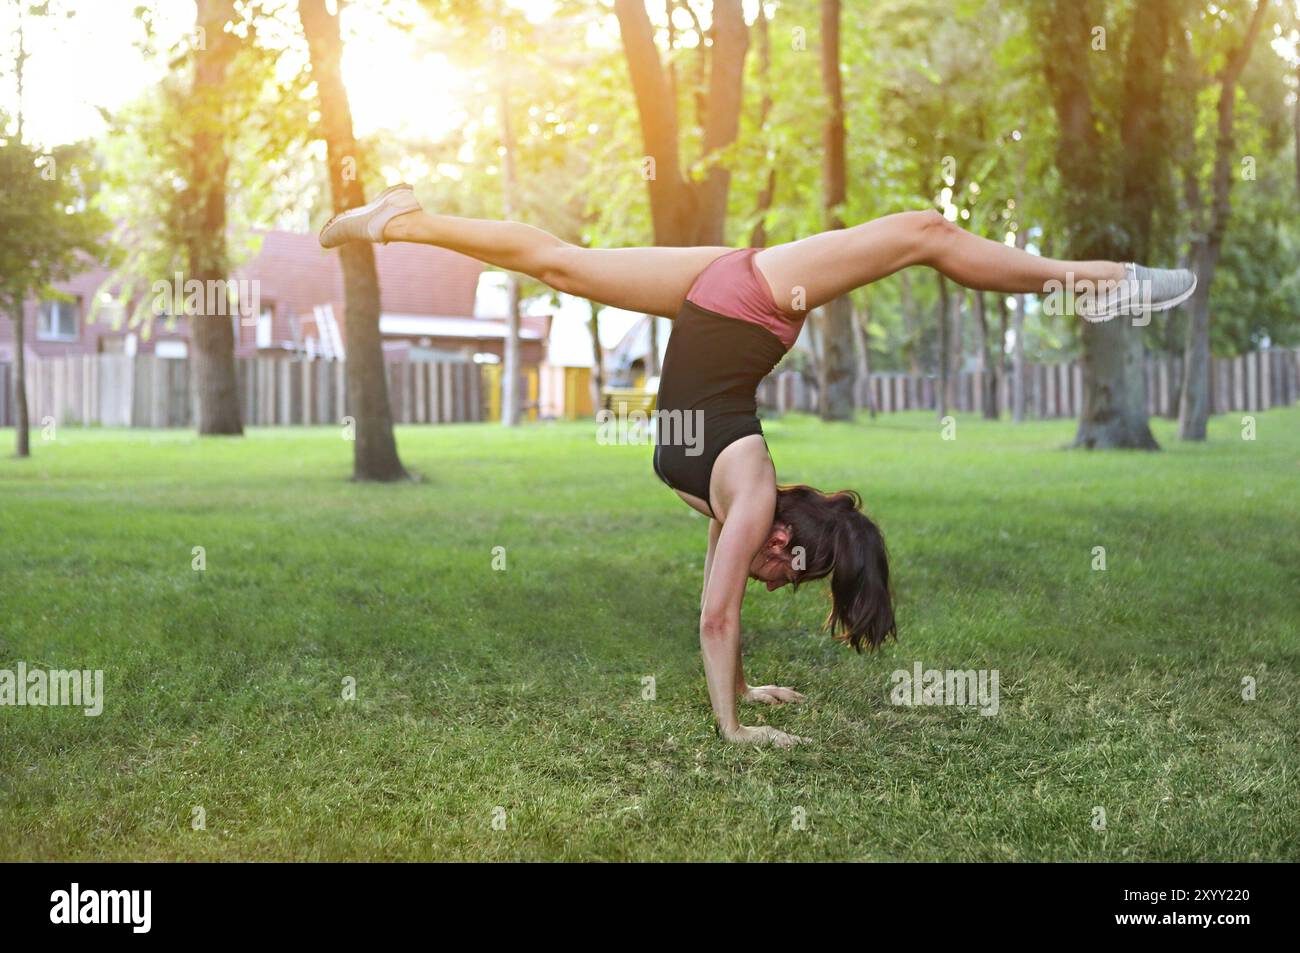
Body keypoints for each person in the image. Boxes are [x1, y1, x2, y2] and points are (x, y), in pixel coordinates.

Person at [320, 185, 1196, 747]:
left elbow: (718, 601)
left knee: (562, 263)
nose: (778, 583)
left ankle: (400, 222)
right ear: (782, 533)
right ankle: (1094, 278)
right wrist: (733, 728)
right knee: (925, 231)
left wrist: (745, 682)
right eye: (794, 570)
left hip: (719, 299)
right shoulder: (747, 497)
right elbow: (713, 616)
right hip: (756, 301)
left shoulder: (740, 506)